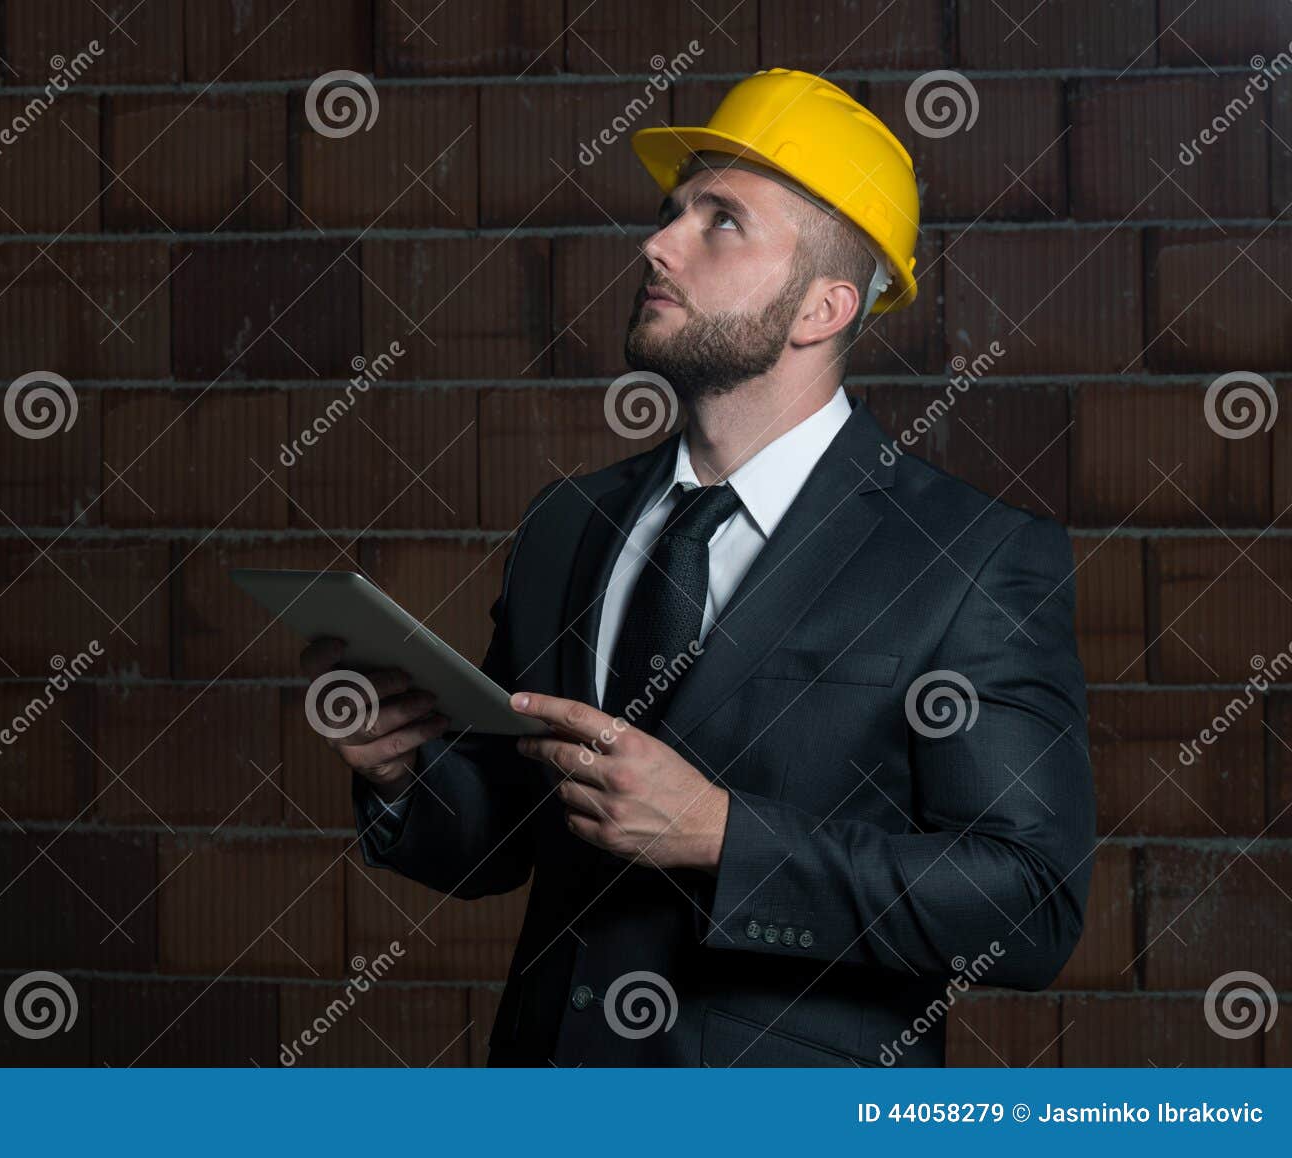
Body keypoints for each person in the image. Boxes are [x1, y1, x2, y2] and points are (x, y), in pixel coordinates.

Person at [301, 69, 1094, 1066]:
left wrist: (725, 836)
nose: (658, 243)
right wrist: (403, 774)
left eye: (720, 222)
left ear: (821, 307)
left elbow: (1026, 910)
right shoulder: (570, 523)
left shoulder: (969, 560)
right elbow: (503, 838)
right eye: (672, 211)